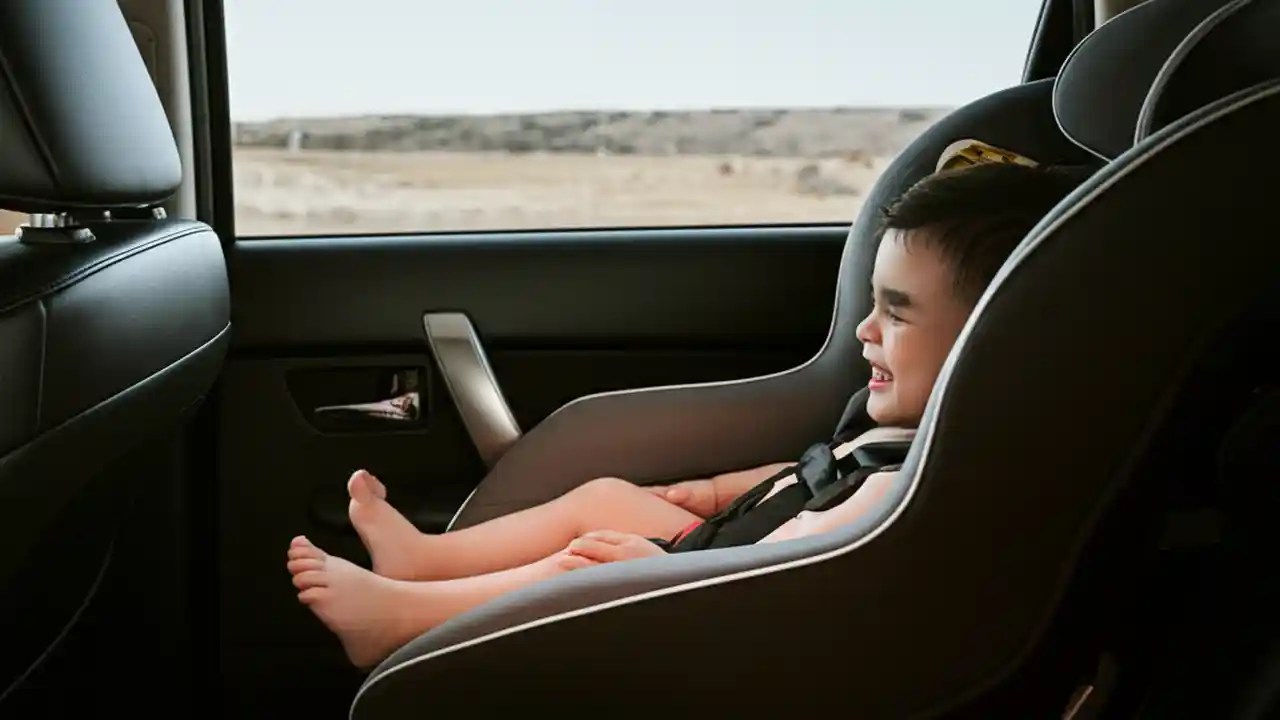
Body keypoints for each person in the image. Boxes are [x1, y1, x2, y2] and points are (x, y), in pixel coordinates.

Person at [286, 160, 1089, 668]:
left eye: (898, 314)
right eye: (871, 303)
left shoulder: (907, 486)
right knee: (602, 494)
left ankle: (399, 619)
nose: (863, 330)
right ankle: (426, 559)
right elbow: (807, 477)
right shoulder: (899, 433)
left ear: (997, 335)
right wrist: (708, 494)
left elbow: (795, 568)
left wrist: (660, 566)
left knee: (587, 562)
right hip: (718, 545)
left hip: (724, 589)